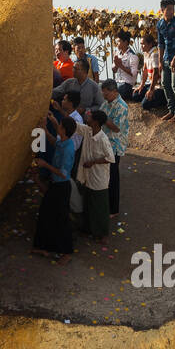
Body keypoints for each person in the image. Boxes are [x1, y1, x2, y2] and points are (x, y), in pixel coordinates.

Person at [32, 115, 77, 262]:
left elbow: (64, 174)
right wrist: (45, 128)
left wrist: (45, 165)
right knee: (46, 214)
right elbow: (54, 142)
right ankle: (41, 246)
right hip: (56, 184)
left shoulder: (68, 148)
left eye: (60, 126)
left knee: (61, 219)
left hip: (61, 187)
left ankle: (67, 253)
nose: (57, 127)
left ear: (64, 130)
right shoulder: (63, 142)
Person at [72, 108, 115, 239]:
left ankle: (103, 234)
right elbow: (74, 125)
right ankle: (88, 229)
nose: (87, 118)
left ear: (95, 122)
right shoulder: (88, 130)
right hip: (88, 176)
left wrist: (93, 162)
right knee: (89, 204)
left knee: (100, 207)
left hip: (99, 179)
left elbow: (110, 158)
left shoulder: (103, 139)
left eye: (90, 117)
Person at [98, 79, 129, 224]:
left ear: (115, 92)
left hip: (115, 145)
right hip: (105, 142)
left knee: (113, 177)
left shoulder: (122, 107)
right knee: (106, 175)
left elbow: (116, 128)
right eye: (103, 93)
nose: (104, 95)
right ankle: (106, 204)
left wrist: (103, 119)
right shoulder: (106, 102)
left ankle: (114, 209)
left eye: (106, 93)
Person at [136, 33, 166, 110]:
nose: (141, 46)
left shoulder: (155, 53)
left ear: (150, 44)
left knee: (145, 105)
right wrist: (141, 85)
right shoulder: (146, 53)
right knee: (135, 95)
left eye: (143, 44)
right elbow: (145, 70)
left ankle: (162, 102)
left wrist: (151, 90)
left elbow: (156, 73)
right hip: (151, 85)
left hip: (159, 87)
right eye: (141, 44)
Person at [112, 32, 140, 100]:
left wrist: (121, 66)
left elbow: (133, 73)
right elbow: (114, 70)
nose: (117, 43)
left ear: (125, 42)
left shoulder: (132, 56)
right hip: (117, 82)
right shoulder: (117, 54)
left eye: (119, 41)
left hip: (127, 85)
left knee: (114, 93)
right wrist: (116, 65)